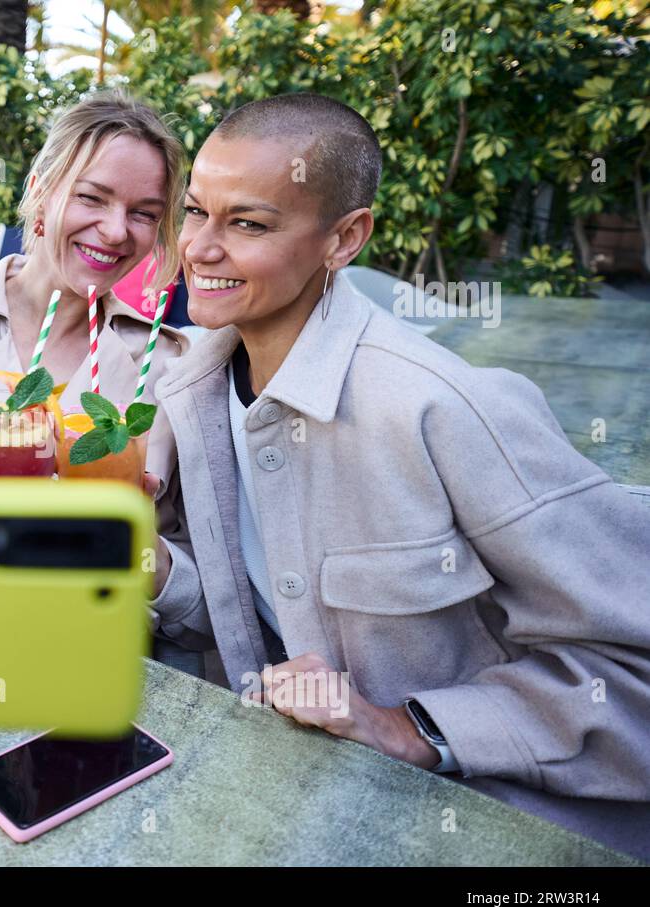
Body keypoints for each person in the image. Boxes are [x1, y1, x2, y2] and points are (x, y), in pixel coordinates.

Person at [150, 92, 650, 861]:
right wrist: (145, 566)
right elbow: (237, 618)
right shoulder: (186, 395)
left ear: (345, 237)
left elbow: (630, 674)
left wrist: (410, 726)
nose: (201, 249)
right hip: (299, 819)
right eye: (194, 213)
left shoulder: (451, 410)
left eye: (247, 223)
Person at [0, 90, 190, 484]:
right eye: (91, 197)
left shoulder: (166, 365)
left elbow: (181, 538)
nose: (115, 232)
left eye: (143, 214)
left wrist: (140, 535)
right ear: (41, 193)